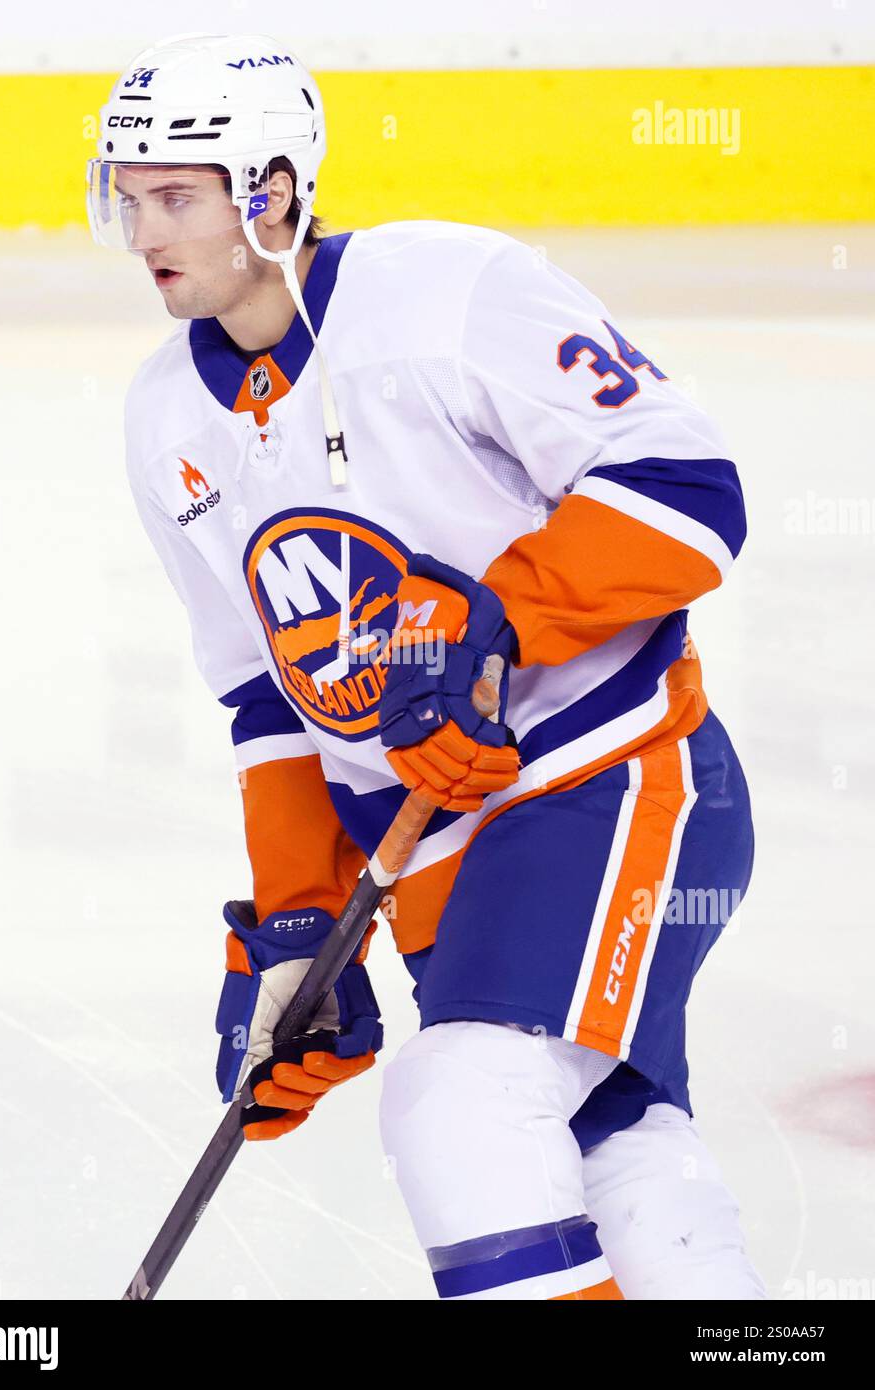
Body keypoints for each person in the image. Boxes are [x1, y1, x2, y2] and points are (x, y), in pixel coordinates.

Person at [89, 31, 766, 1300]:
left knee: (462, 1104)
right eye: (126, 195)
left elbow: (683, 490)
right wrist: (298, 930)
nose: (142, 231)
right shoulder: (161, 420)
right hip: (432, 848)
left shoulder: (445, 293)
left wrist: (494, 635)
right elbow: (264, 697)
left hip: (610, 775)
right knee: (602, 1139)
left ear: (272, 189)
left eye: (174, 196)